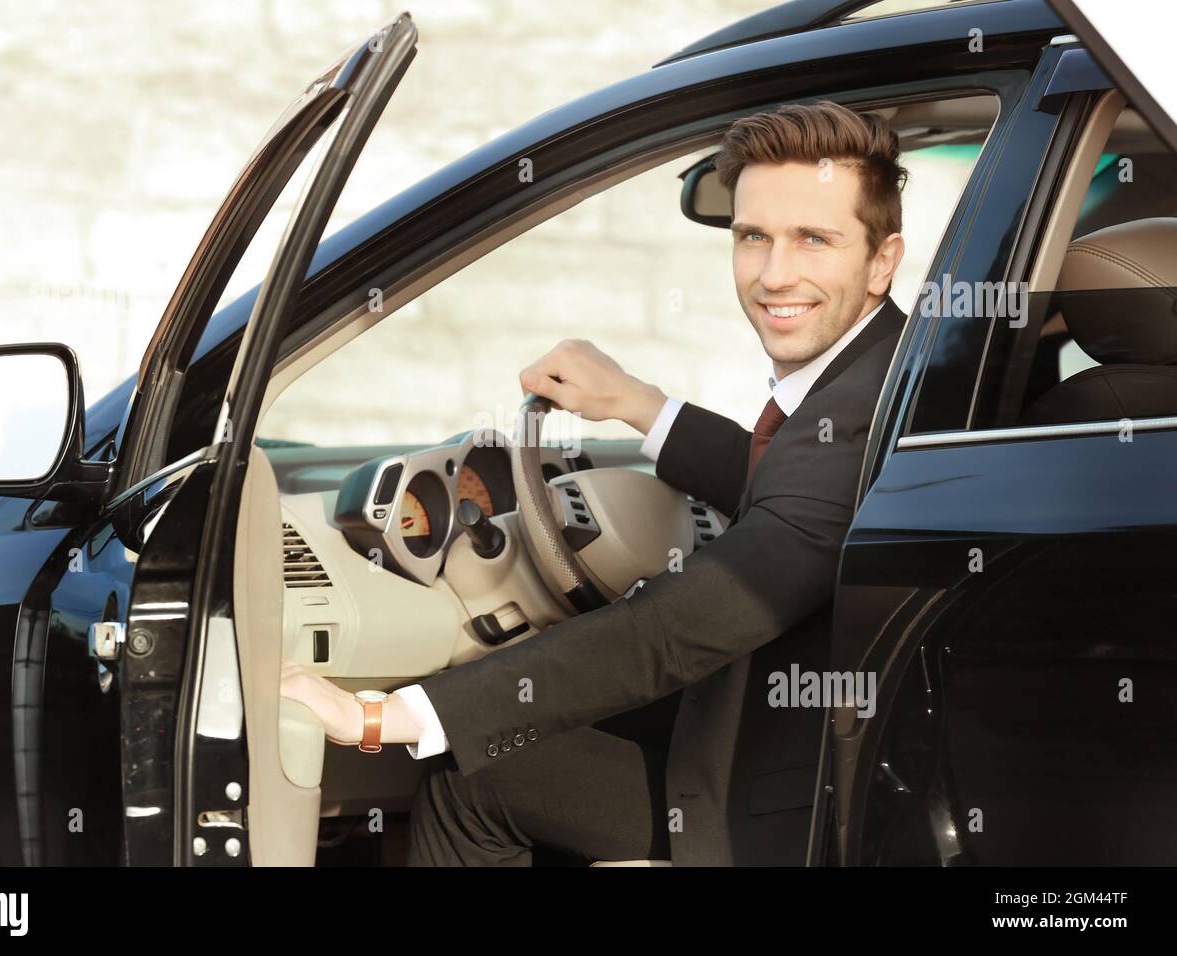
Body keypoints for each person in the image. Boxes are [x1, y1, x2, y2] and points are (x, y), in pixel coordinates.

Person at [281, 100, 909, 865]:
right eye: (754, 238)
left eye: (815, 239)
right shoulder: (881, 374)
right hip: (800, 726)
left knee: (474, 779)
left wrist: (385, 717)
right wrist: (638, 405)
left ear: (883, 259)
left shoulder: (855, 410)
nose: (776, 274)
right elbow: (792, 492)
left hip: (789, 801)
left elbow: (676, 627)